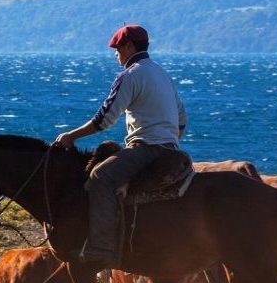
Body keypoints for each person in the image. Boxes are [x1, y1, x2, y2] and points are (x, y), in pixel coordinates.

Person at [53, 24, 187, 265]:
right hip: (171, 148)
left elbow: (105, 118)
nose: (116, 54)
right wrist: (169, 139)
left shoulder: (130, 75)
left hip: (146, 148)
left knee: (100, 177)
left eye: (117, 48)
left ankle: (101, 248)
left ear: (129, 47)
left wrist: (71, 136)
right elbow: (182, 120)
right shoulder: (162, 74)